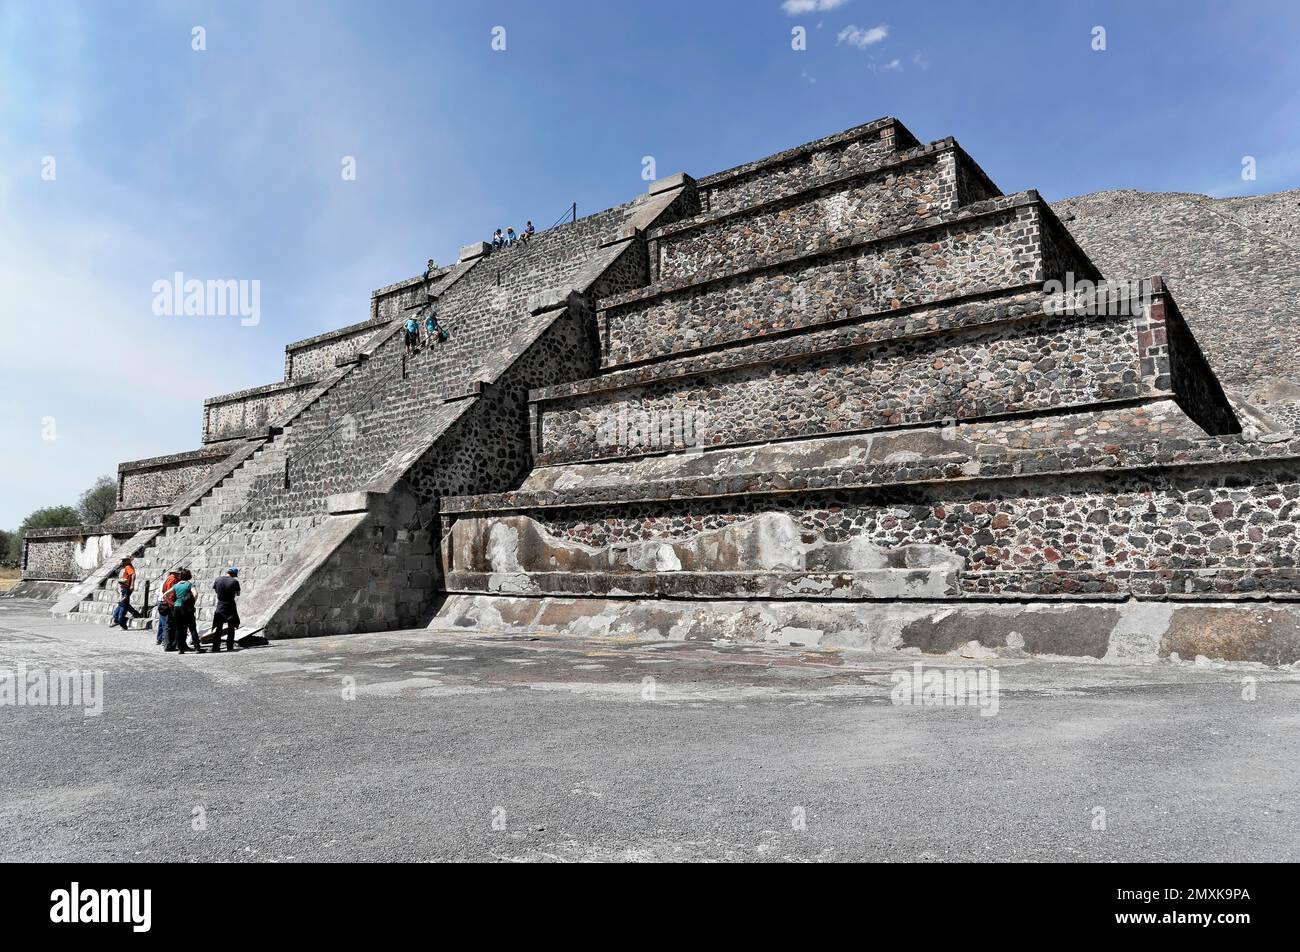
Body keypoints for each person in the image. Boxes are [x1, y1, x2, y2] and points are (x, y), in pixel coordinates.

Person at [210, 567, 241, 653]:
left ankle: (215, 647)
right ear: (234, 574)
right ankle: (229, 646)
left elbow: (216, 591)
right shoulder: (234, 581)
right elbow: (238, 594)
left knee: (218, 627)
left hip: (220, 605)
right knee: (231, 627)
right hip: (230, 605)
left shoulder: (218, 579)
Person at [172, 570, 201, 654]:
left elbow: (165, 594)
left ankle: (180, 649)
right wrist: (192, 603)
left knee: (179, 628)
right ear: (189, 576)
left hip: (177, 607)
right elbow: (195, 594)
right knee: (192, 628)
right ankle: (197, 648)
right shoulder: (189, 585)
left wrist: (173, 603)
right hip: (186, 608)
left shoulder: (176, 585)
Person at [110, 557, 141, 629]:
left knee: (123, 603)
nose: (123, 562)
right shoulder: (128, 566)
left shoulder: (128, 567)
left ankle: (120, 620)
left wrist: (132, 585)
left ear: (127, 561)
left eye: (124, 560)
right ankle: (134, 614)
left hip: (127, 587)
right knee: (124, 603)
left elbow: (133, 574)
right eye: (122, 560)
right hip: (125, 586)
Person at [155, 567, 180, 647]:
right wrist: (172, 604)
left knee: (163, 622)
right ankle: (166, 642)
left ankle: (160, 639)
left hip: (162, 601)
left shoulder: (169, 579)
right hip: (166, 603)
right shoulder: (173, 580)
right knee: (167, 624)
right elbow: (170, 594)